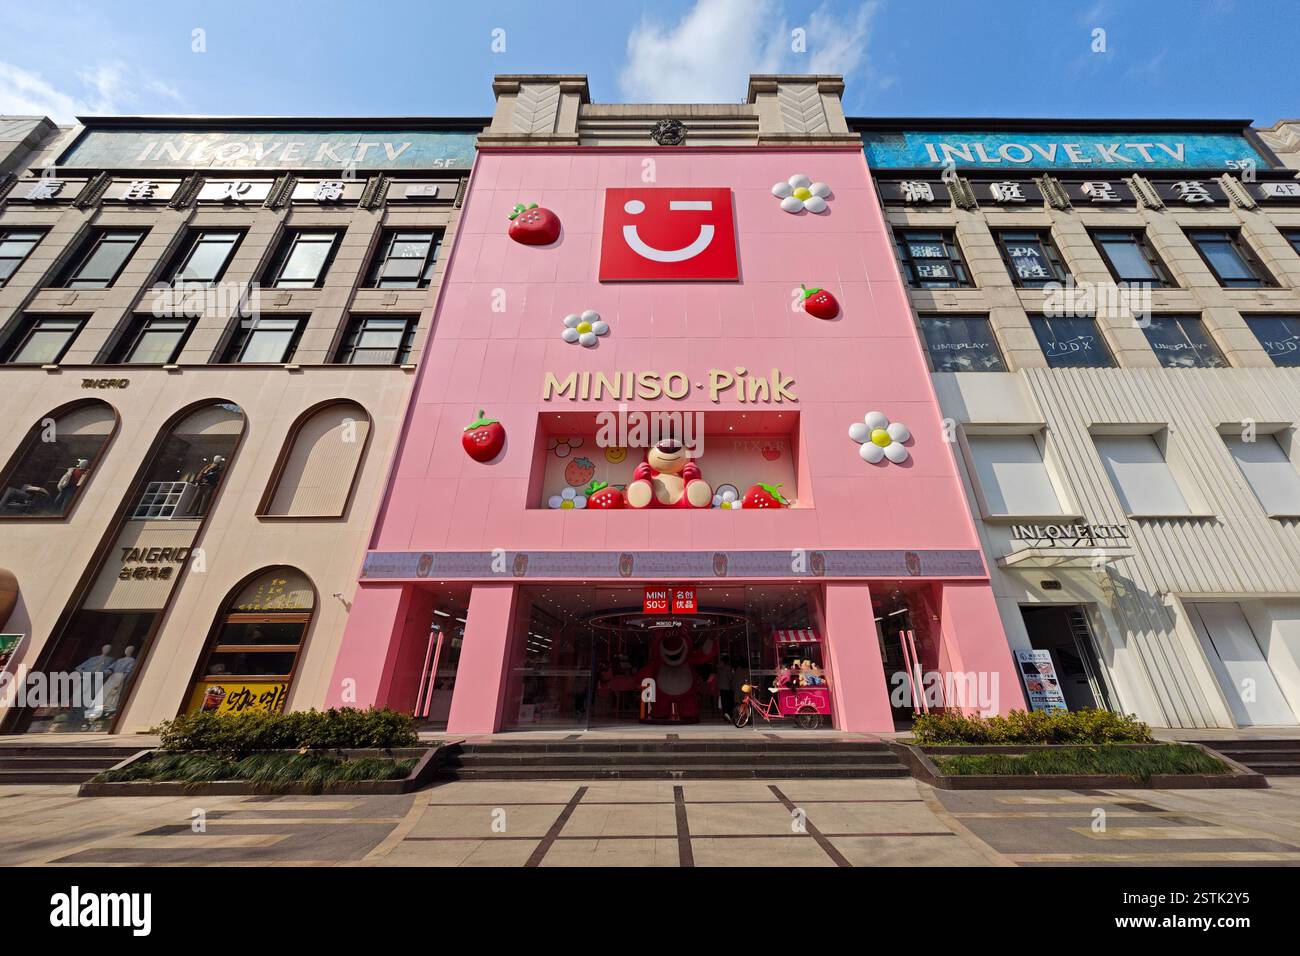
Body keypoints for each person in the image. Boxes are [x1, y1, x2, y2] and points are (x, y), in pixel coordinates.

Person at [717, 653, 735, 720]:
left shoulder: (719, 668)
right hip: (727, 687)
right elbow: (730, 677)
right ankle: (728, 714)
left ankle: (725, 715)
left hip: (722, 687)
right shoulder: (728, 667)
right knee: (728, 702)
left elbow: (718, 678)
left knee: (724, 703)